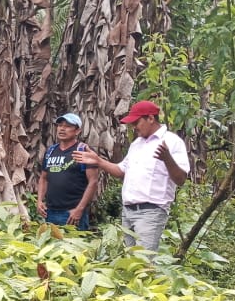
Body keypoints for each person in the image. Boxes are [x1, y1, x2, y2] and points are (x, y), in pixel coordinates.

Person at [73, 99, 190, 253]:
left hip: (151, 211)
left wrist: (167, 158)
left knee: (143, 262)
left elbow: (181, 179)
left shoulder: (172, 142)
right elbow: (121, 171)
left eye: (136, 122)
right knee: (129, 260)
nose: (133, 127)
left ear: (150, 118)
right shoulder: (137, 144)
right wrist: (98, 161)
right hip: (128, 211)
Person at [36, 112, 99, 229]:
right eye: (60, 125)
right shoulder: (51, 151)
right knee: (51, 246)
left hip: (72, 213)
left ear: (77, 131)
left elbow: (93, 182)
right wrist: (39, 201)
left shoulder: (84, 151)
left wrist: (79, 210)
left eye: (68, 126)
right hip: (50, 212)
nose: (62, 129)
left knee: (75, 246)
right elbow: (44, 178)